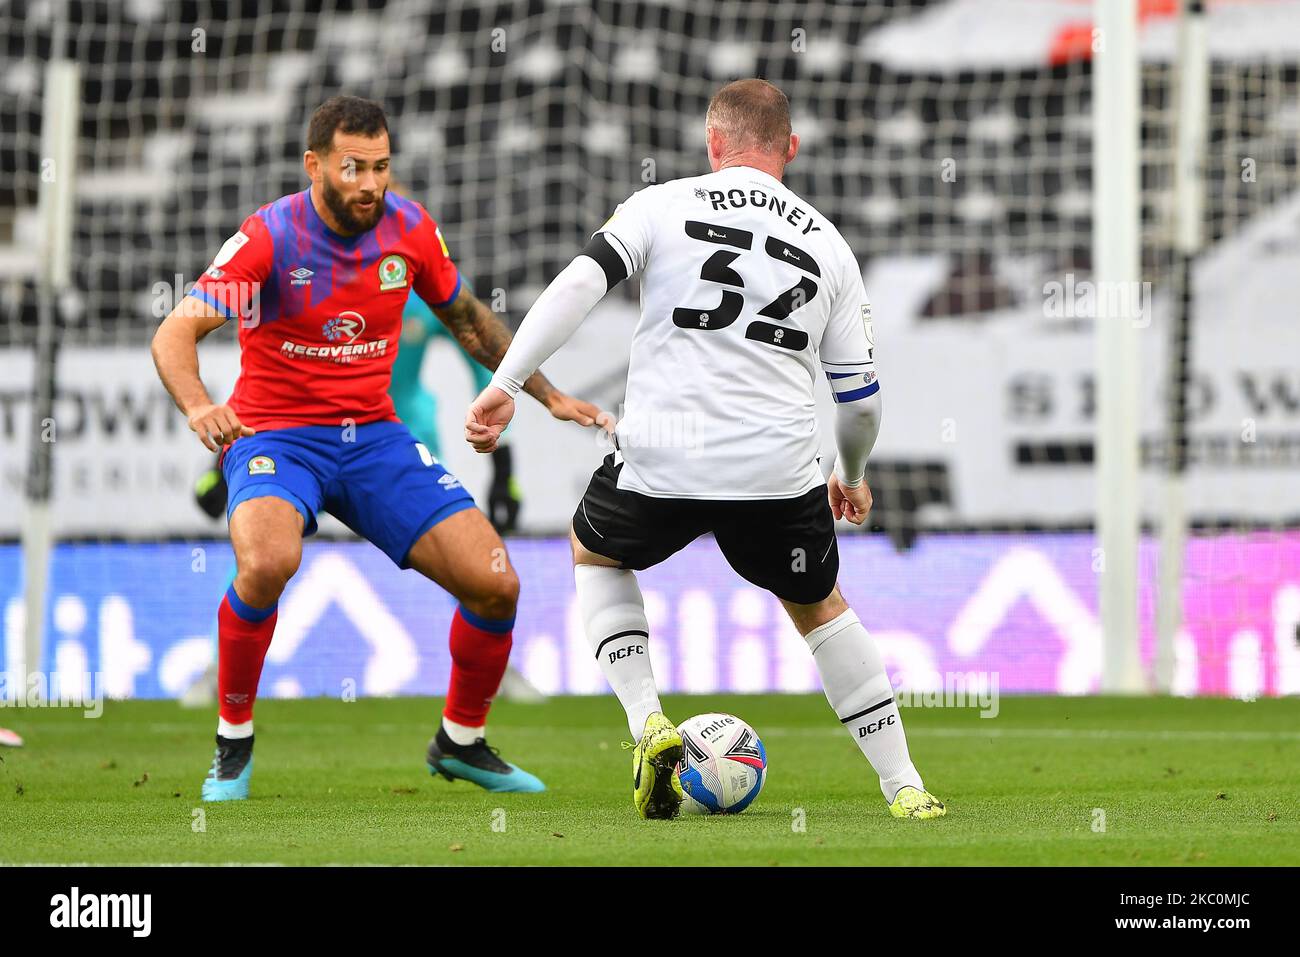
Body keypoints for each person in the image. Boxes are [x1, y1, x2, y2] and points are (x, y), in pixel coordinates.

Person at [465, 79, 946, 821]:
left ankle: (648, 721)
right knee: (819, 608)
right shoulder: (829, 244)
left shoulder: (661, 204)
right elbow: (861, 402)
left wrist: (508, 380)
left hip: (664, 455)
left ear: (712, 143)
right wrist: (849, 476)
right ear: (791, 147)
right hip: (777, 469)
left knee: (595, 552)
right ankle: (904, 784)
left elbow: (578, 284)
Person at [152, 95, 604, 801]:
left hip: (375, 440)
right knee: (268, 560)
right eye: (353, 167)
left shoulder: (410, 229)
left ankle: (461, 741)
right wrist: (200, 404)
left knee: (496, 581)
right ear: (315, 166)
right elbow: (175, 333)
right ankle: (232, 741)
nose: (370, 183)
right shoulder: (269, 236)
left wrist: (545, 394)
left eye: (381, 166)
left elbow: (469, 320)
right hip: (275, 437)